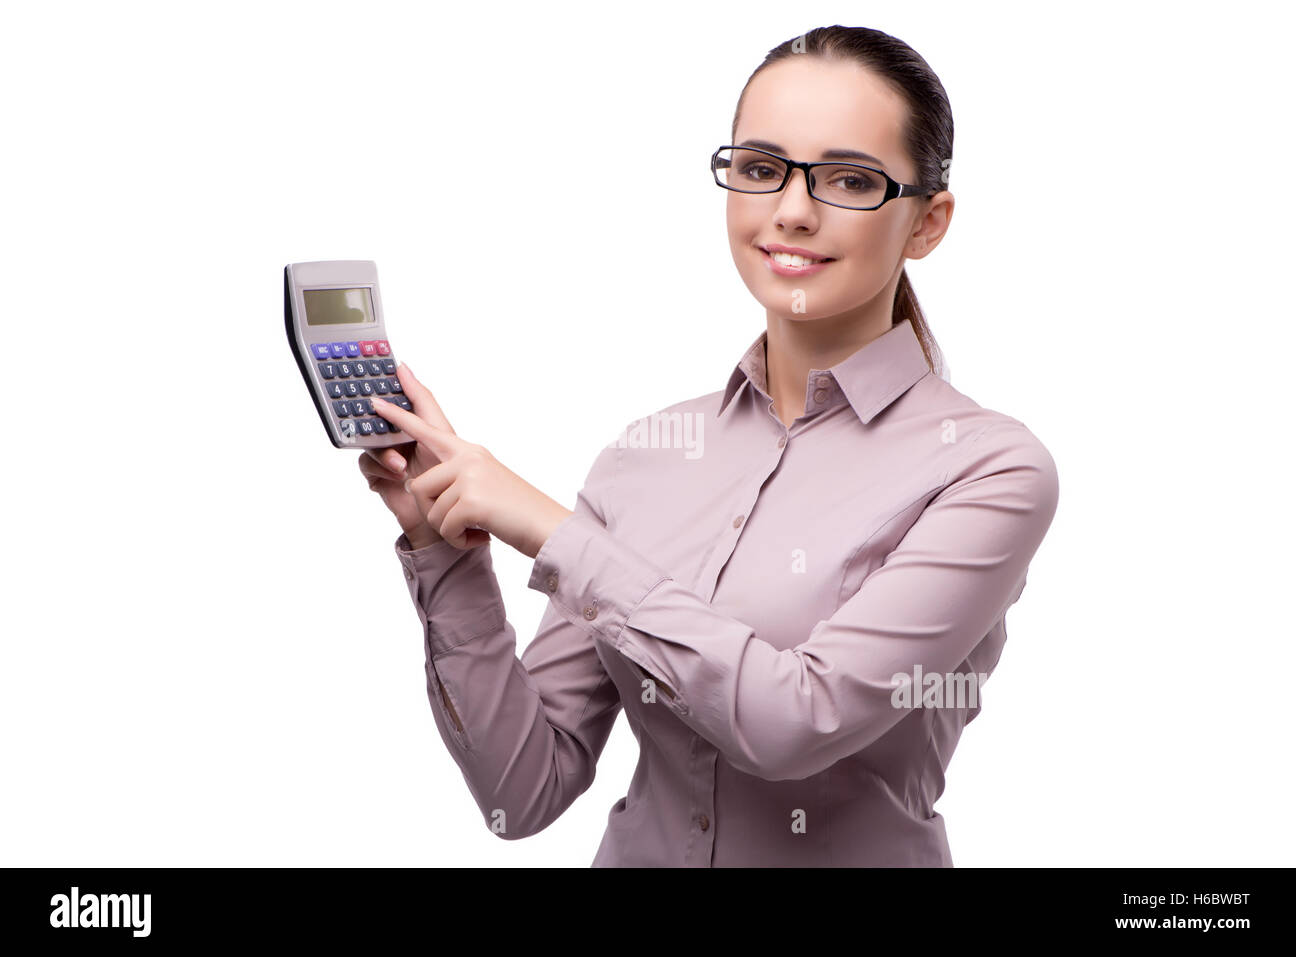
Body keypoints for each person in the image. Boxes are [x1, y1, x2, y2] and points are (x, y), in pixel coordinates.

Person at [358, 24, 1059, 867]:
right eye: (762, 169)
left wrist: (552, 532)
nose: (791, 211)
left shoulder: (989, 469)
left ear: (927, 223)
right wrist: (446, 548)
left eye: (848, 179)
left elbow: (797, 721)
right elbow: (524, 788)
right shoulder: (645, 458)